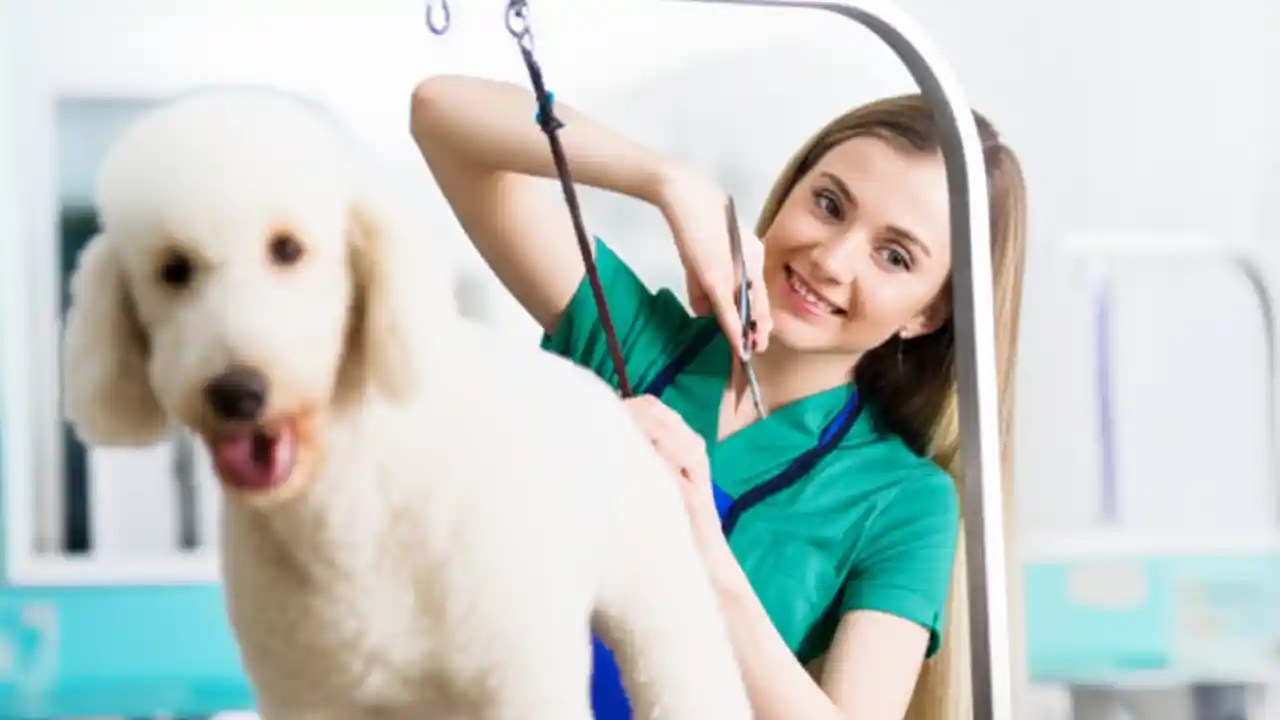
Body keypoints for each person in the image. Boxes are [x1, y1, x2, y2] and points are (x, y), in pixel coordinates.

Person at [410, 73, 1026, 720]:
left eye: (894, 256)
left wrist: (702, 546)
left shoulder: (905, 499)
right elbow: (440, 113)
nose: (832, 260)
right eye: (828, 204)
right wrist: (668, 181)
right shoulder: (633, 342)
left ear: (929, 313)